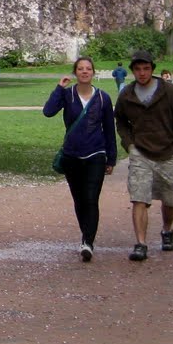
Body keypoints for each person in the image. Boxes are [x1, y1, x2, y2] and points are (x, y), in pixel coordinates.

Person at [114, 52, 173, 260]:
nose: (142, 73)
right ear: (133, 71)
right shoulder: (127, 94)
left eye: (146, 69)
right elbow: (120, 120)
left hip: (167, 151)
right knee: (139, 197)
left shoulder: (169, 91)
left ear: (152, 69)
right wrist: (129, 144)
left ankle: (167, 229)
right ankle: (141, 243)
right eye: (138, 69)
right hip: (140, 152)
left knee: (169, 199)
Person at [43, 56, 117, 262]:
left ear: (93, 73)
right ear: (75, 73)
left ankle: (88, 241)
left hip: (96, 153)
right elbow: (48, 112)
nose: (85, 72)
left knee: (91, 198)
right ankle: (85, 233)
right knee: (79, 199)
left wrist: (111, 158)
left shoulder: (103, 98)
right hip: (72, 154)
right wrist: (59, 88)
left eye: (88, 69)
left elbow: (110, 130)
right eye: (81, 69)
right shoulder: (68, 96)